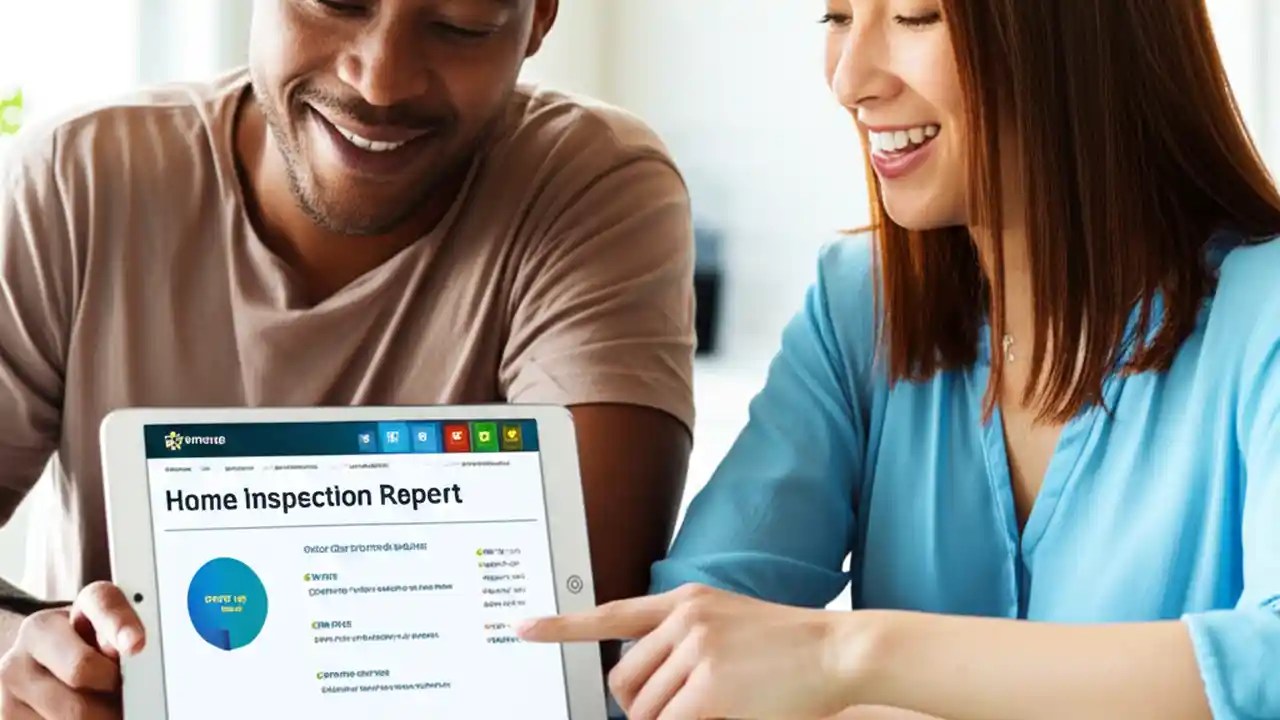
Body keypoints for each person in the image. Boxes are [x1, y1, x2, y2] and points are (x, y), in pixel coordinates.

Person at [519, 0, 1280, 718]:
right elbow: (683, 650)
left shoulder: (1262, 311)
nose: (850, 79)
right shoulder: (858, 308)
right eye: (839, 16)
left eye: (916, 16)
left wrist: (847, 655)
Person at [0, 0, 696, 716]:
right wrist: (26, 648)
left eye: (462, 25)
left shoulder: (591, 190)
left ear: (540, 19)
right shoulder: (76, 179)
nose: (380, 82)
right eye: (335, 3)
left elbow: (574, 642)